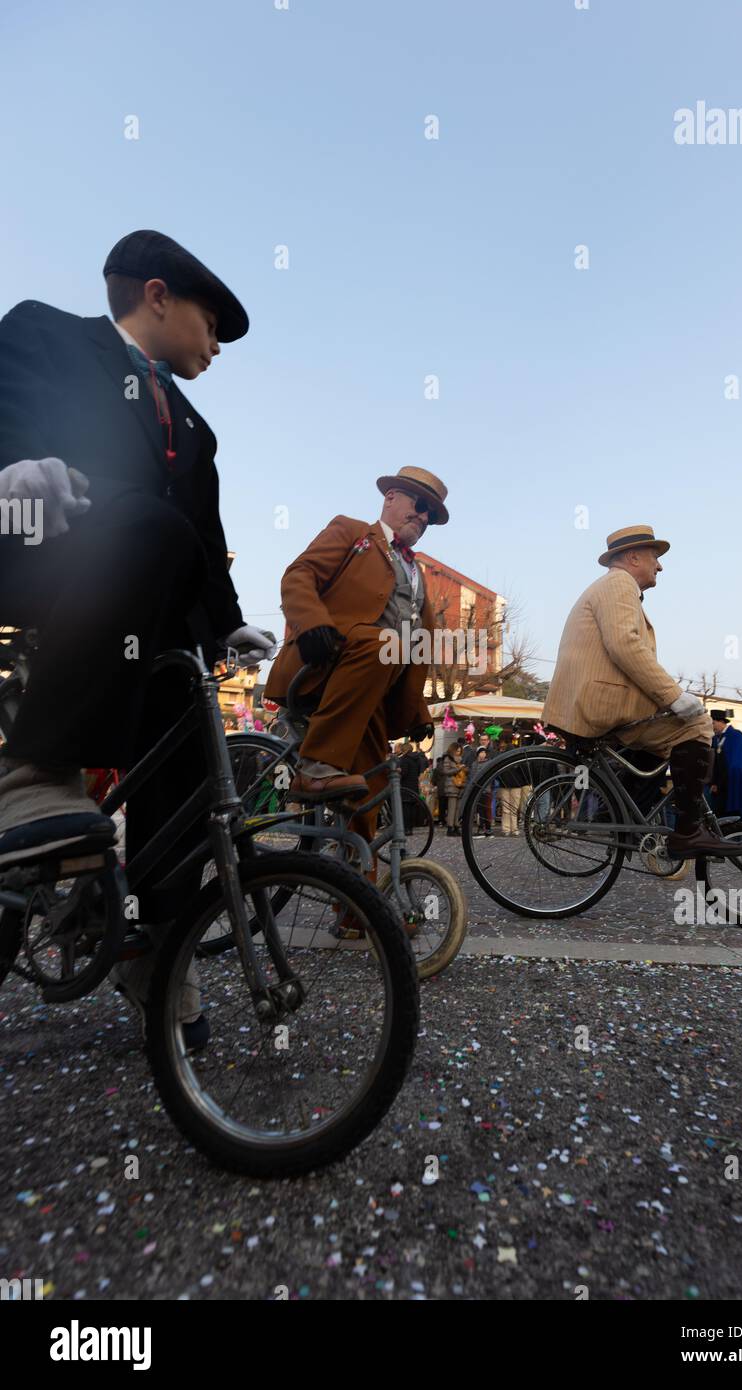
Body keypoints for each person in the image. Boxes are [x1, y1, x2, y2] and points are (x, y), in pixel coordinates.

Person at [0, 230, 276, 1042]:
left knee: (190, 760)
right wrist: (11, 466)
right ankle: (33, 770)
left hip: (139, 598)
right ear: (157, 296)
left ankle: (153, 952)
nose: (218, 344)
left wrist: (227, 625)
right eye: (211, 323)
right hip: (41, 542)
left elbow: (199, 530)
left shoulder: (194, 429)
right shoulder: (49, 331)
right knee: (140, 523)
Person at [264, 466, 447, 862]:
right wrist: (312, 623)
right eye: (419, 504)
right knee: (383, 641)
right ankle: (315, 767)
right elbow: (300, 574)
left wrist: (415, 710)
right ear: (391, 497)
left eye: (431, 513)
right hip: (323, 663)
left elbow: (419, 651)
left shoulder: (419, 577)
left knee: (368, 789)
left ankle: (355, 909)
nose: (423, 516)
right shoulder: (352, 532)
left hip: (369, 694)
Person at [543, 525, 742, 857]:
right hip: (599, 703)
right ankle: (688, 833)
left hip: (592, 698)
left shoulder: (611, 587)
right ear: (633, 556)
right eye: (655, 558)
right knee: (695, 726)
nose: (660, 566)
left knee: (662, 744)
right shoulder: (618, 583)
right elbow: (626, 646)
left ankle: (620, 816)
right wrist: (673, 696)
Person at [709, 711, 742, 822]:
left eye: (713, 723)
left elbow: (739, 763)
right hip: (721, 785)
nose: (712, 727)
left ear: (721, 722)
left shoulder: (736, 736)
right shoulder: (716, 739)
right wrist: (715, 782)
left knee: (736, 814)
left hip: (733, 782)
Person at [442, 741, 464, 836]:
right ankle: (450, 828)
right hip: (451, 786)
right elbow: (446, 771)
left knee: (457, 808)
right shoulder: (448, 758)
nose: (458, 753)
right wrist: (458, 769)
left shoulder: (459, 759)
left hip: (459, 785)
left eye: (460, 751)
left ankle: (456, 826)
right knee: (452, 808)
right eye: (457, 751)